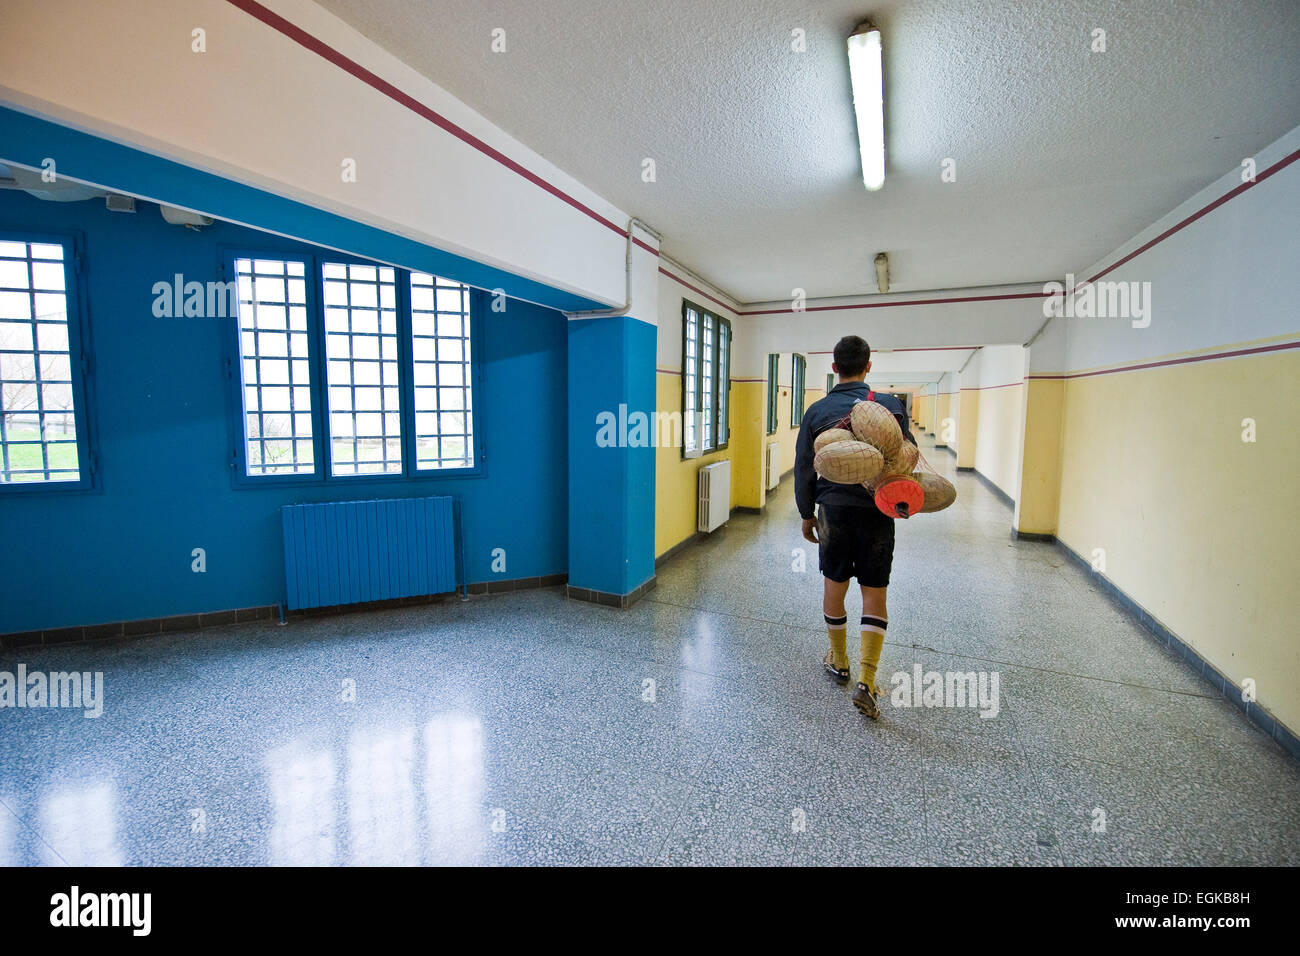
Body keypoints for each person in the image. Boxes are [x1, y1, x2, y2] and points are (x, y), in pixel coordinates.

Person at [793, 335, 916, 720]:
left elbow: (804, 467)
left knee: (835, 585)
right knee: (874, 592)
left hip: (834, 510)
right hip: (878, 510)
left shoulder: (817, 410)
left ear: (834, 368)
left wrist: (806, 512)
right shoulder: (889, 406)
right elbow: (906, 456)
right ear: (868, 366)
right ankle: (866, 680)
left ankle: (840, 661)